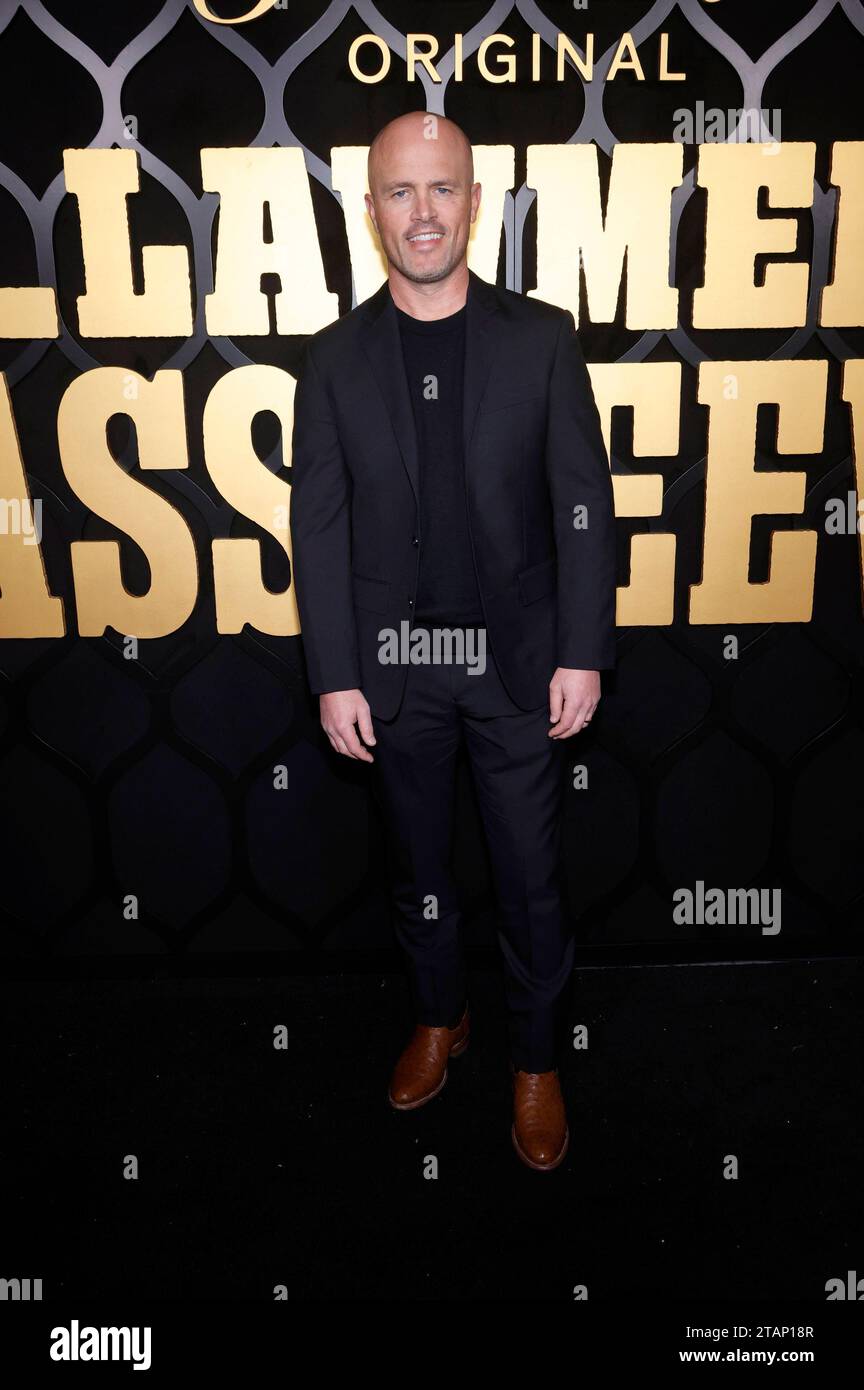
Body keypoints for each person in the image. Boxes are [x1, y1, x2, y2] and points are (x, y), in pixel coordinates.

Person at [289, 111, 617, 1171]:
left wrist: (584, 647)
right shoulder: (334, 361)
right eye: (400, 191)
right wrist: (336, 674)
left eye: (443, 190)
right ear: (372, 207)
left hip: (517, 665)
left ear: (476, 202)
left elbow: (583, 506)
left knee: (529, 876)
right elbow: (321, 527)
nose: (422, 213)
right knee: (417, 865)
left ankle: (534, 1058)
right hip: (399, 672)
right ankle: (441, 1016)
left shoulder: (541, 339)